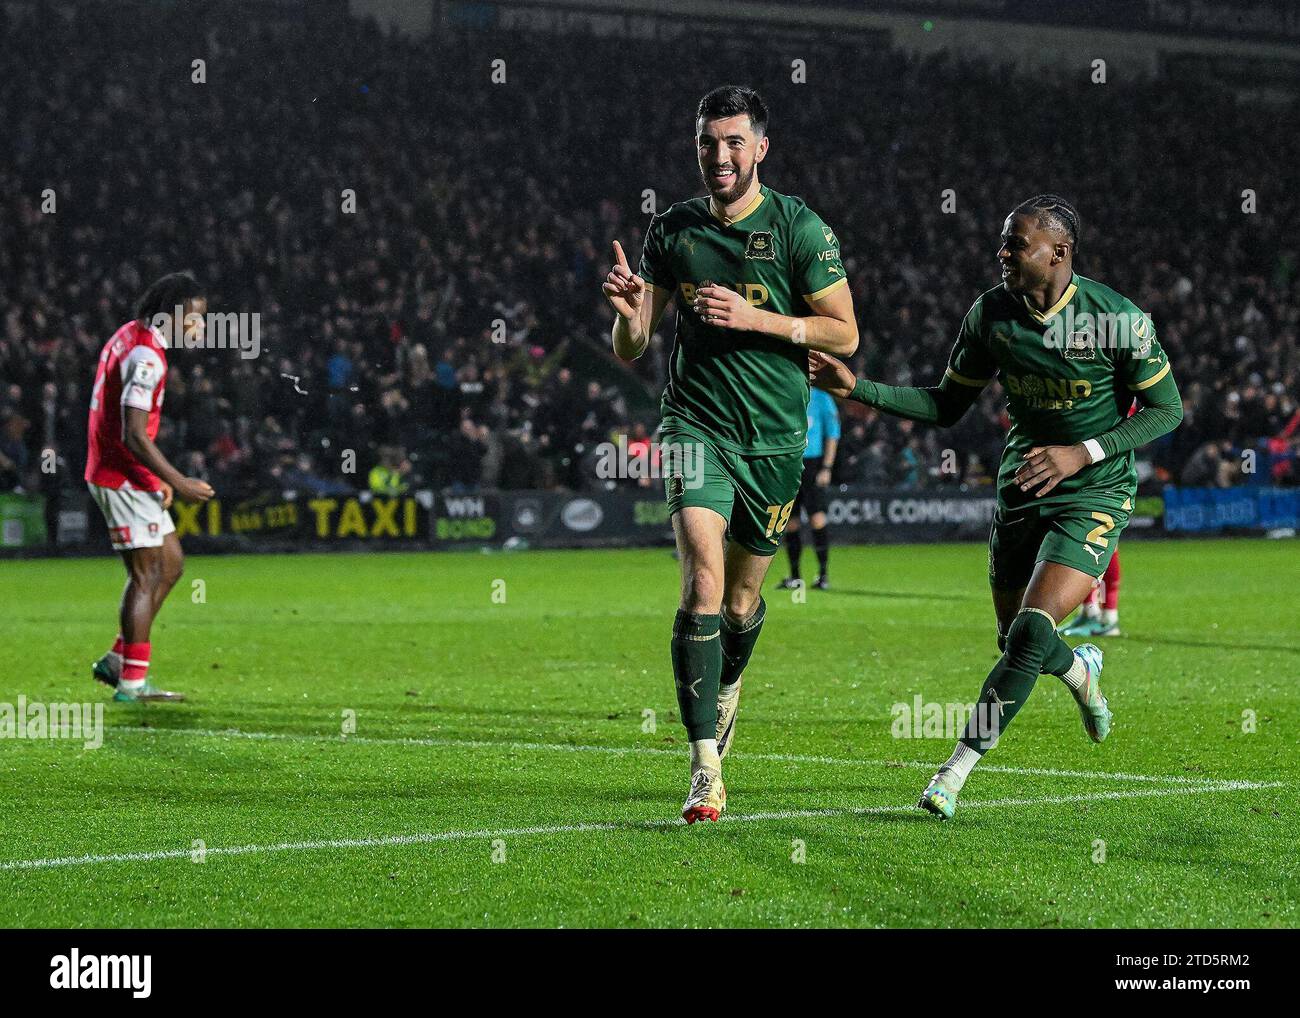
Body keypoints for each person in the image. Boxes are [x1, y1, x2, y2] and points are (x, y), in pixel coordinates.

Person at [809, 195, 1182, 819]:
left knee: (1033, 629)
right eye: (1003, 241)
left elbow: (1168, 409)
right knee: (1016, 639)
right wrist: (858, 390)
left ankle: (952, 774)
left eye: (1018, 243)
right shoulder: (991, 315)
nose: (1002, 252)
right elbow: (946, 406)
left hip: (1093, 490)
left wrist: (1084, 451)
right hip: (1020, 491)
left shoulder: (1117, 319)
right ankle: (1079, 670)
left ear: (1059, 253)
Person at [603, 85, 858, 822]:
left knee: (742, 604)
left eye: (734, 142)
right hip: (694, 427)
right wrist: (628, 317)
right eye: (708, 143)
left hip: (777, 439)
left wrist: (760, 319)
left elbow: (844, 334)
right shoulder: (672, 230)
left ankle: (727, 683)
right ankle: (704, 767)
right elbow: (633, 345)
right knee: (702, 586)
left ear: (761, 148)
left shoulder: (798, 228)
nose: (720, 155)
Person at [86, 273, 215, 702]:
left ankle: (118, 660)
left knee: (171, 564)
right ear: (174, 314)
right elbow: (134, 434)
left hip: (128, 473)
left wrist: (154, 478)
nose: (199, 328)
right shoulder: (147, 357)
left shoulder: (130, 335)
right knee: (145, 576)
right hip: (118, 475)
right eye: (195, 319)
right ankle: (132, 684)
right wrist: (177, 480)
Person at [777, 385, 839, 590]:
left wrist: (827, 467)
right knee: (790, 521)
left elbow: (833, 433)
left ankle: (823, 575)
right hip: (788, 463)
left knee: (817, 517)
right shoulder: (786, 394)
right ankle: (795, 577)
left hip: (812, 463)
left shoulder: (822, 398)